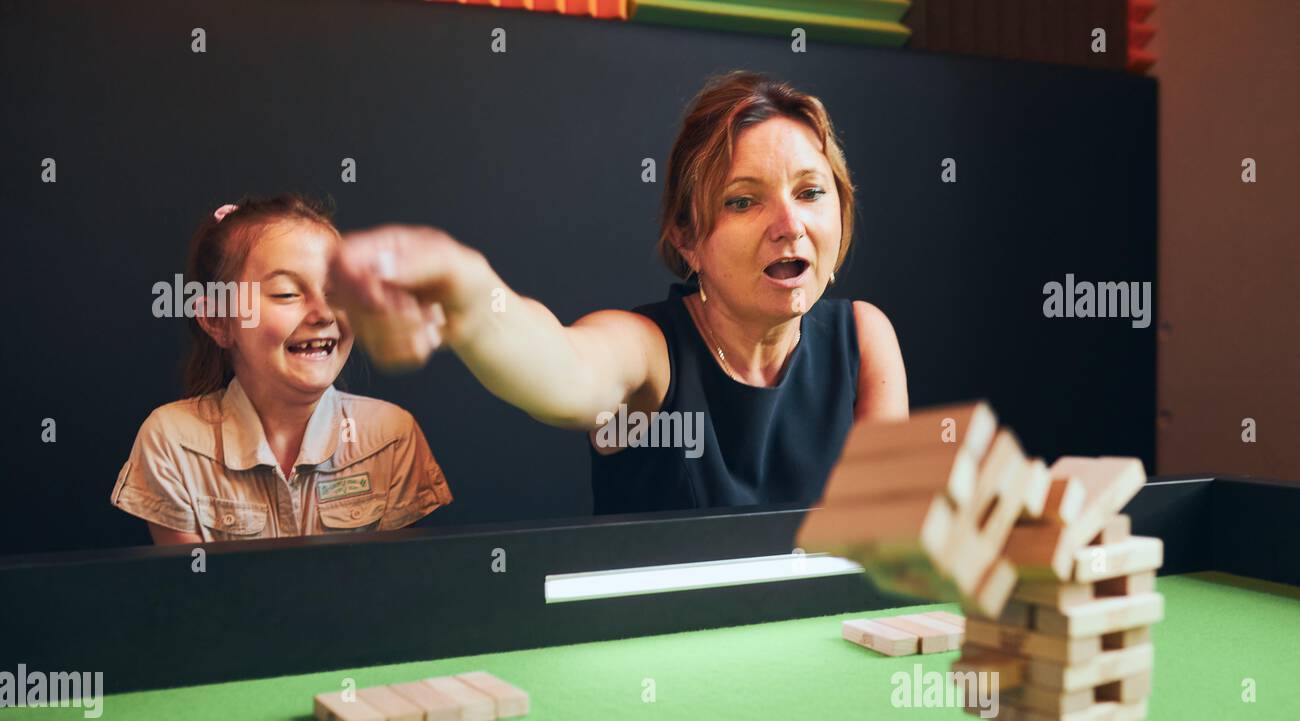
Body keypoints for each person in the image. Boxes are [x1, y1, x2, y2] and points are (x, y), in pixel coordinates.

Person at [328, 70, 908, 514]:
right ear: (688, 240)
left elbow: (889, 540)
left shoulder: (863, 337)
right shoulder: (649, 352)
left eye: (810, 192)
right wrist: (464, 288)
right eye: (742, 201)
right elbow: (561, 368)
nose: (789, 223)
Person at [111, 194, 452, 544]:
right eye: (287, 293)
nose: (324, 314)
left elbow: (396, 589)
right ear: (217, 319)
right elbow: (191, 594)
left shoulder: (392, 438)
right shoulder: (172, 443)